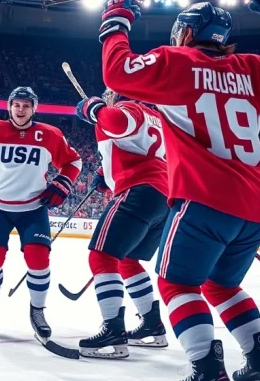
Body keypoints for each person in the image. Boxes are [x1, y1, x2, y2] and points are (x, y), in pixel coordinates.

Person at [98, 0, 260, 381]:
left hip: (203, 198)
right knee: (221, 285)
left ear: (185, 34)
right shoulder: (251, 67)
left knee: (176, 283)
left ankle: (206, 368)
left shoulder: (175, 62)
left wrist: (115, 21)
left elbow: (117, 73)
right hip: (257, 206)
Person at [0, 75, 82, 343]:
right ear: (9, 107)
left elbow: (73, 161)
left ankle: (38, 311)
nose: (21, 110)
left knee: (39, 259)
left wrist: (63, 183)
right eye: (16, 105)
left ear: (34, 108)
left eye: (26, 105)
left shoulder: (50, 134)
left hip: (34, 208)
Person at [75, 89, 170, 359]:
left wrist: (93, 108)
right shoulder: (157, 117)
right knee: (127, 260)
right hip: (162, 196)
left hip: (139, 189)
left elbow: (117, 122)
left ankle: (113, 331)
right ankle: (153, 325)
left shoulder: (131, 109)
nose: (106, 99)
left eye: (109, 96)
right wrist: (106, 175)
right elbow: (136, 150)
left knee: (101, 257)